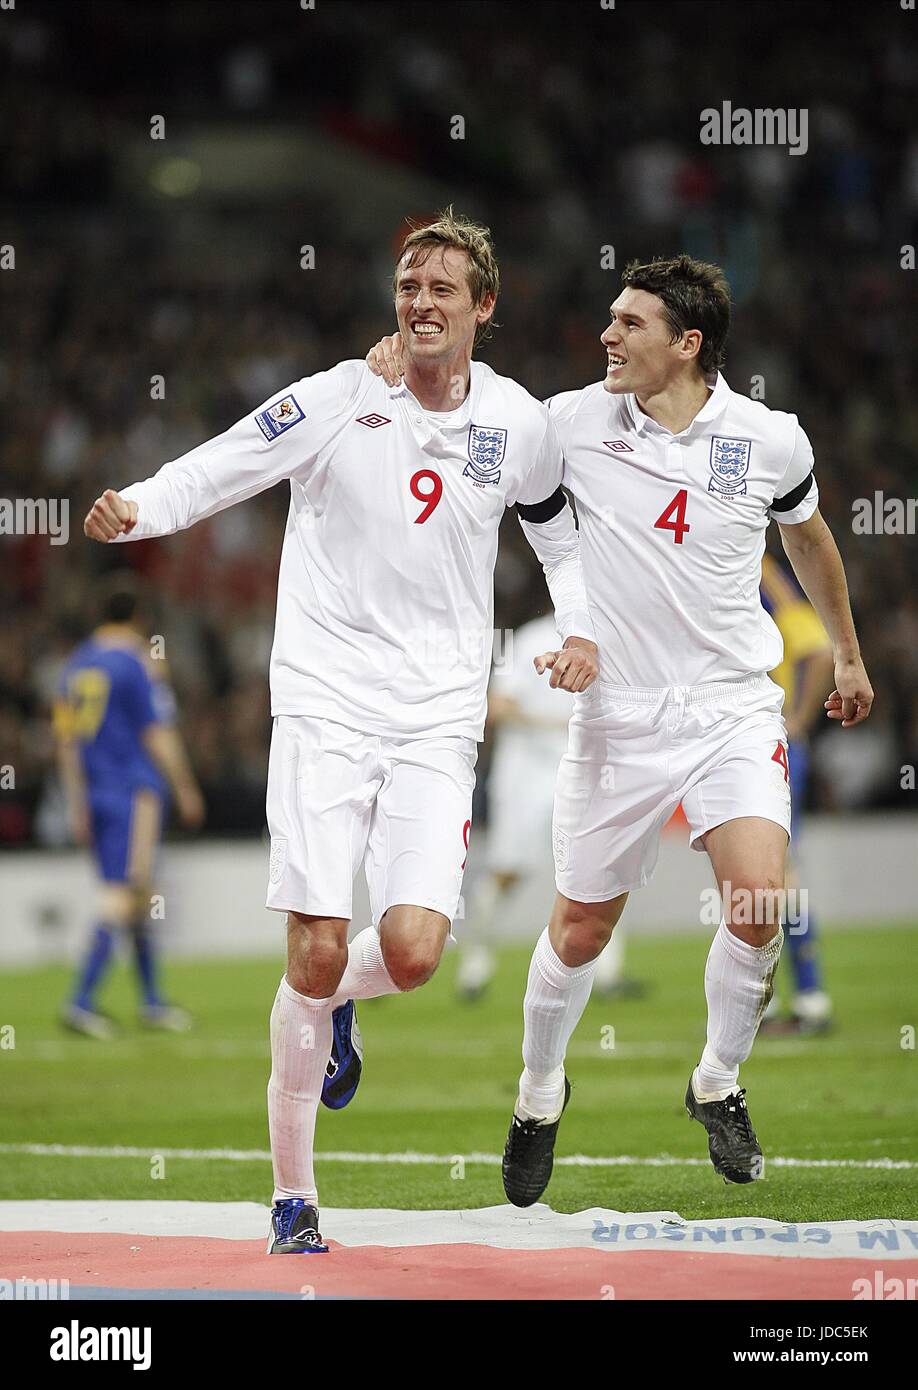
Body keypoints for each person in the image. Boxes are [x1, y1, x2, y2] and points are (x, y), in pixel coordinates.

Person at [83, 209, 598, 1253]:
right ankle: (293, 1199)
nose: (418, 303)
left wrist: (579, 625)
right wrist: (137, 507)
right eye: (407, 285)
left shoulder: (518, 422)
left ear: (483, 308)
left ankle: (340, 1006)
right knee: (311, 954)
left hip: (438, 716)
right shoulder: (337, 395)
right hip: (323, 699)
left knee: (408, 952)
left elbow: (558, 528)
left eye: (442, 289)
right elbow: (226, 461)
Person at [366, 253, 873, 1203]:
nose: (608, 335)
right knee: (580, 929)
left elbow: (809, 538)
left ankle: (717, 1080)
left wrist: (845, 652)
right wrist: (399, 367)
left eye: (630, 324)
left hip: (729, 703)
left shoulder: (771, 440)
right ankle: (538, 1092)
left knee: (760, 900)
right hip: (618, 719)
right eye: (609, 317)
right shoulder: (566, 423)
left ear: (687, 345)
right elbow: (467, 424)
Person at [54, 575, 205, 1038]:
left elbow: (64, 742)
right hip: (134, 791)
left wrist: (76, 802)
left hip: (95, 792)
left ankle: (152, 1001)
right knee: (123, 895)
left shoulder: (74, 666)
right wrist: (184, 785)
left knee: (138, 897)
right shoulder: (139, 662)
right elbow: (156, 731)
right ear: (139, 618)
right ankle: (80, 1000)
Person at [757, 551, 835, 1034]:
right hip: (754, 743)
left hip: (764, 743)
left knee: (775, 876)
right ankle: (783, 1000)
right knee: (760, 879)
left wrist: (799, 721)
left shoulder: (757, 568)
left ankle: (809, 997)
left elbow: (821, 649)